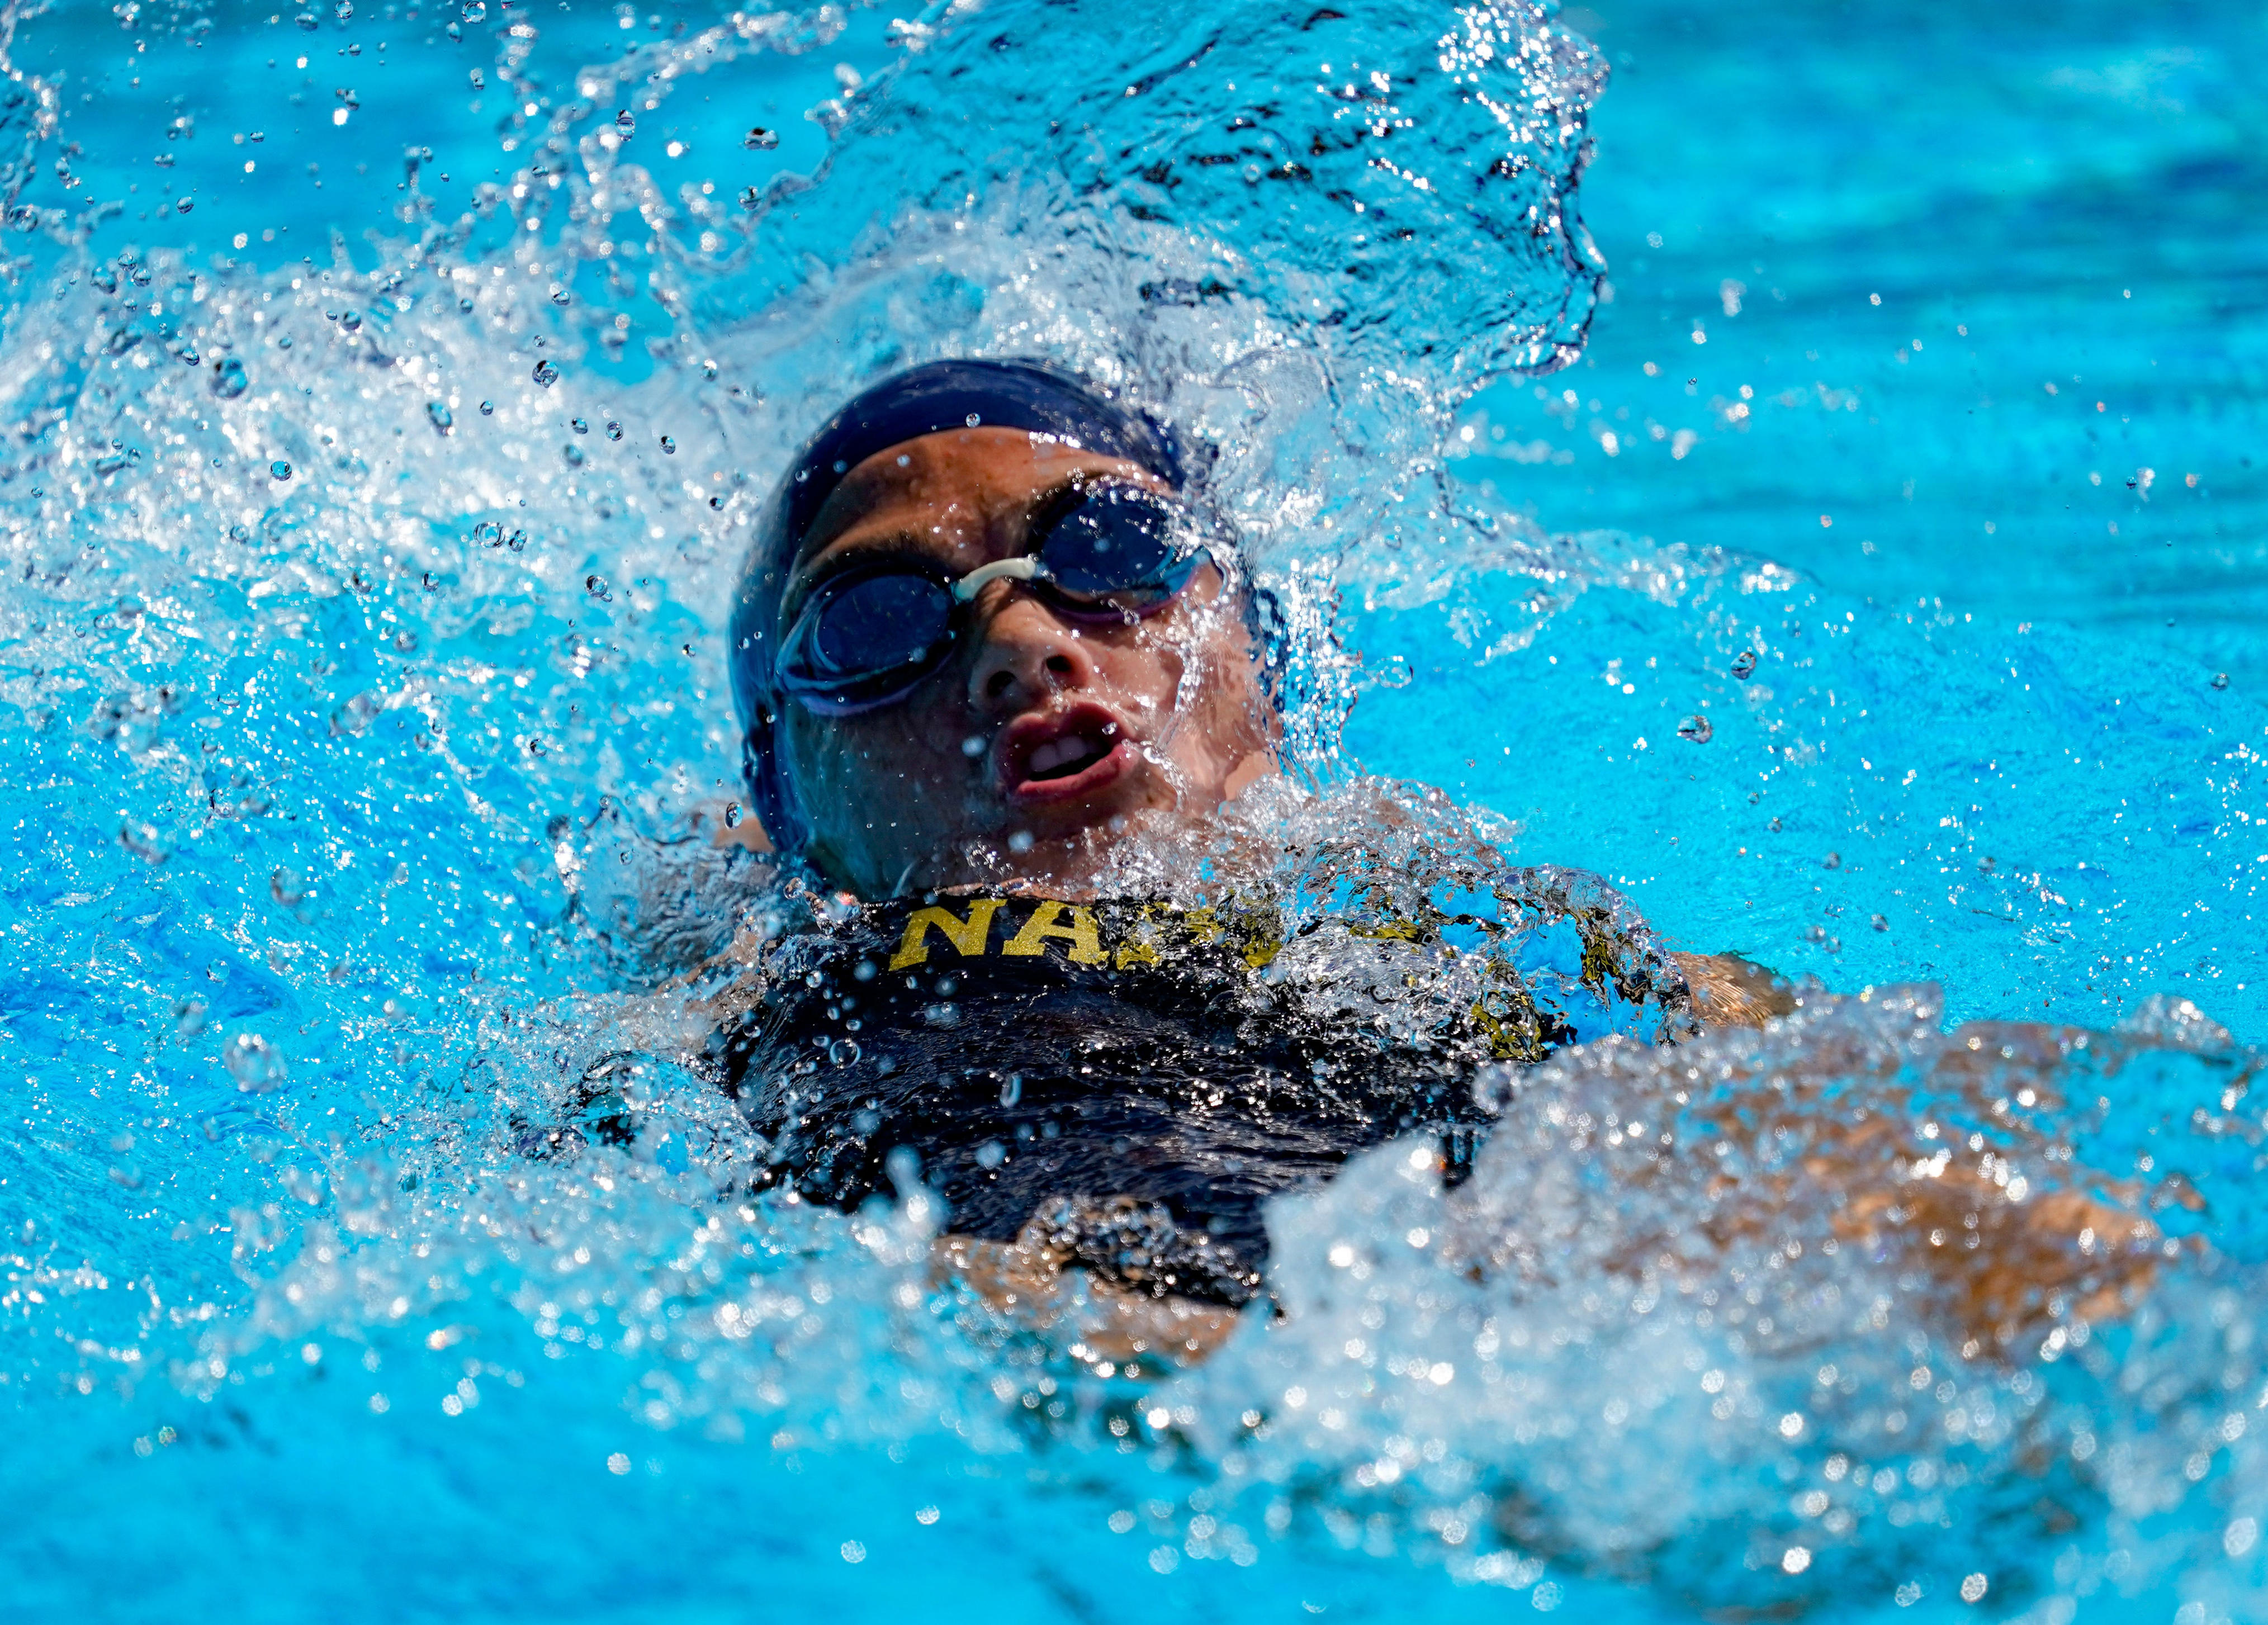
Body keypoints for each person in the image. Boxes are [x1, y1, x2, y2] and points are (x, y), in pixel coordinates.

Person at [678, 358, 2158, 1368]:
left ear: (1261, 654)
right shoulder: (791, 976)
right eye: (871, 623)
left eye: (1114, 543)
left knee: (2029, 1231)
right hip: (1100, 1331)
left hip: (1521, 1290)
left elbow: (1830, 1072)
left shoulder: (1441, 893)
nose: (1024, 642)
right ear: (788, 803)